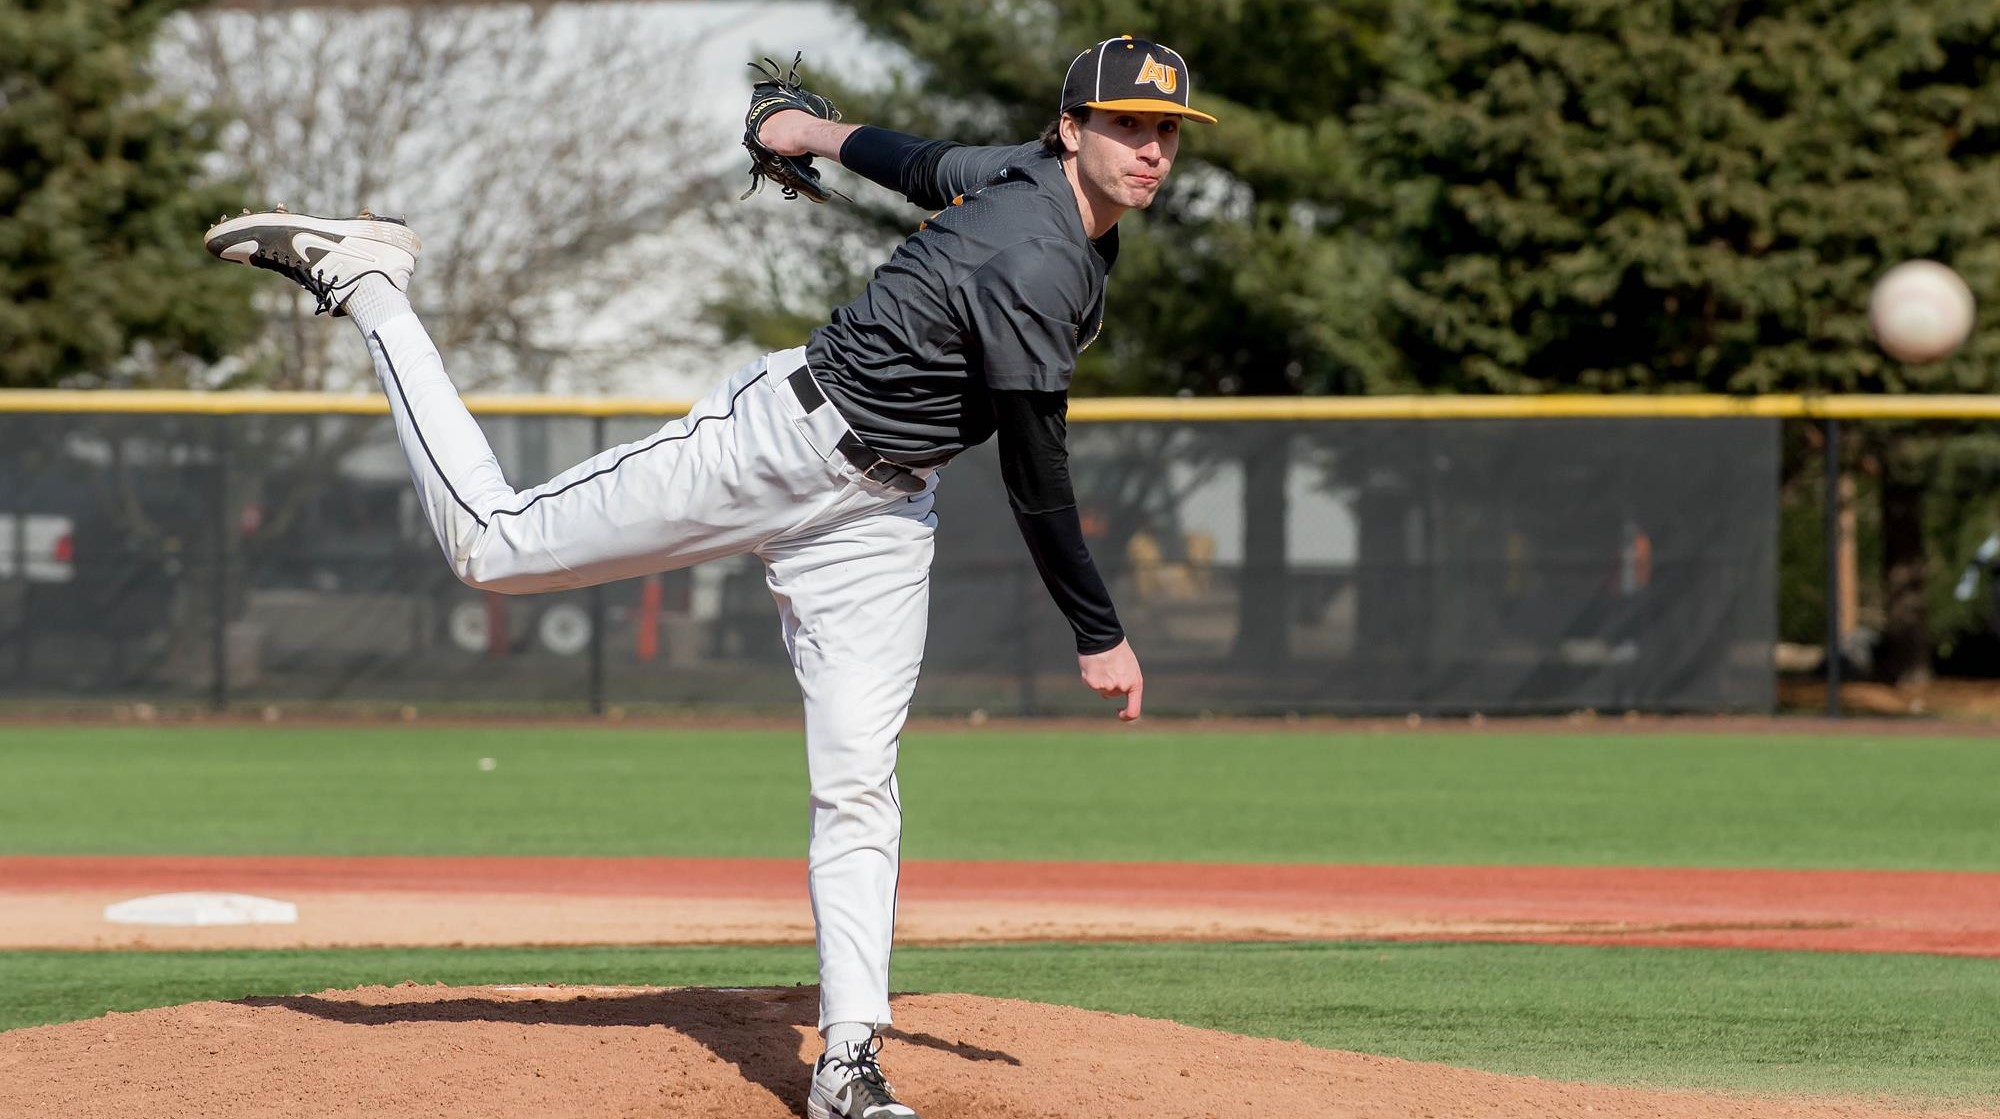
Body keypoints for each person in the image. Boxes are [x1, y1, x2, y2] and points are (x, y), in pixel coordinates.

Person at [202, 33, 1214, 1119]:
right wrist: (1094, 628)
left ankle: (847, 1061)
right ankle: (372, 283)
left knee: (858, 779)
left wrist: (805, 131)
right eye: (1124, 124)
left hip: (876, 518)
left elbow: (923, 163)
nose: (1147, 148)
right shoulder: (1040, 252)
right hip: (774, 444)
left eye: (1163, 130)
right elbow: (1034, 464)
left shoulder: (1034, 180)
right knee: (491, 547)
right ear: (1072, 129)